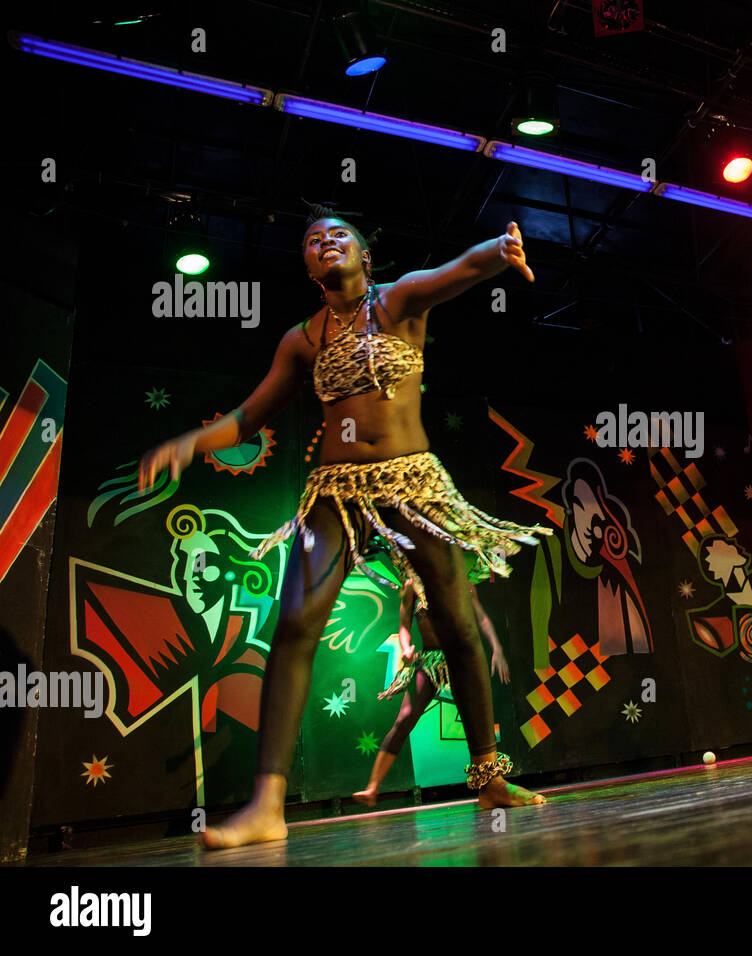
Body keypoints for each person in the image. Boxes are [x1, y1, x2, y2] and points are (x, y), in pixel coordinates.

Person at [138, 213, 549, 848]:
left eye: (337, 234)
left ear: (364, 251)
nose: (325, 242)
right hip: (336, 489)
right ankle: (266, 806)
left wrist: (500, 251)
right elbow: (249, 417)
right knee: (297, 621)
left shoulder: (402, 299)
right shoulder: (301, 340)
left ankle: (490, 774)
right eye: (311, 239)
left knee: (458, 626)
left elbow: (459, 272)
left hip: (413, 484)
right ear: (307, 267)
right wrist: (192, 441)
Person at [353, 574, 510, 807]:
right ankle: (373, 788)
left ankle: (491, 787)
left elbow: (482, 619)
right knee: (404, 719)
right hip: (428, 661)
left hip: (458, 659)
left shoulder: (458, 581)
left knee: (475, 722)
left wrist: (497, 648)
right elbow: (404, 627)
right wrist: (406, 648)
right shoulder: (411, 587)